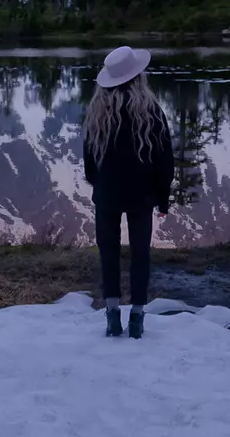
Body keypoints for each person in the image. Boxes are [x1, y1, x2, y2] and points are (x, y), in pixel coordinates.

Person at [83, 45, 174, 339]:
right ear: (137, 77)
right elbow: (164, 160)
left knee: (108, 253)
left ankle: (112, 316)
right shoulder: (152, 112)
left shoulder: (96, 113)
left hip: (107, 194)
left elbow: (89, 162)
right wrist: (162, 197)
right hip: (142, 195)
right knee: (140, 254)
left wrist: (100, 184)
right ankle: (137, 318)